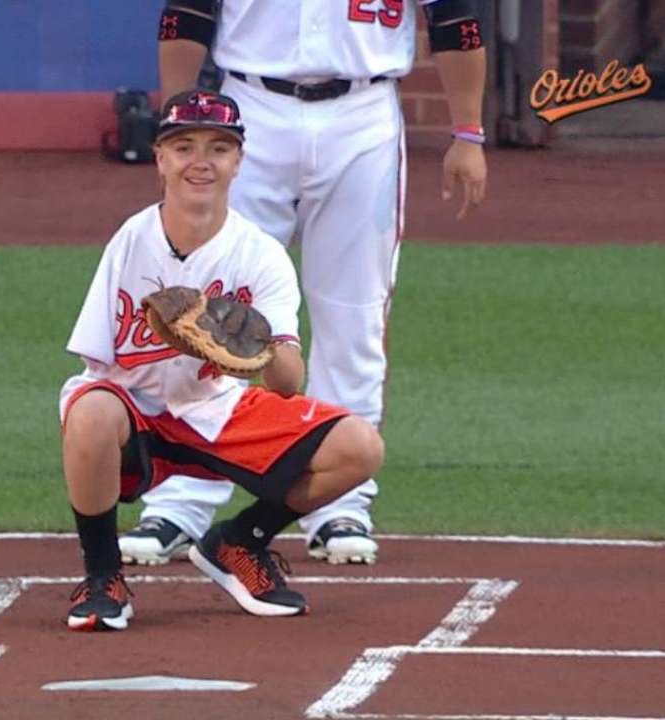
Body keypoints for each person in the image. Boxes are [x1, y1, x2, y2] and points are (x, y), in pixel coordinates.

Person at [120, 0, 488, 567]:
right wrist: (182, 119)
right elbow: (188, 12)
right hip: (250, 110)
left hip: (363, 116)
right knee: (208, 310)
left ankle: (340, 503)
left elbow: (453, 20)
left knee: (354, 313)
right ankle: (180, 501)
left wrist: (468, 131)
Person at [60, 89, 385, 631]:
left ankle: (238, 542)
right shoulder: (131, 240)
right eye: (183, 146)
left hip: (215, 410)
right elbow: (98, 365)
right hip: (133, 412)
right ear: (160, 159)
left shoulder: (260, 255)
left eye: (217, 147)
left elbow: (289, 382)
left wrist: (256, 354)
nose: (200, 162)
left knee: (359, 447)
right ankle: (102, 577)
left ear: (238, 161)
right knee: (90, 412)